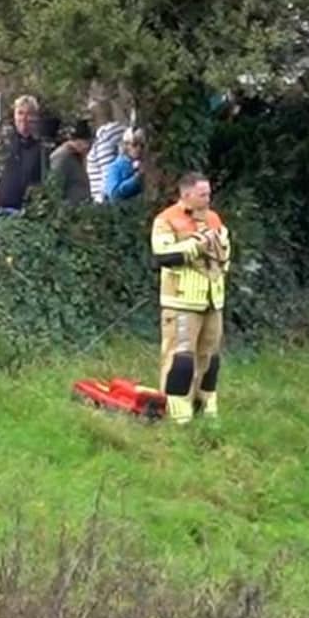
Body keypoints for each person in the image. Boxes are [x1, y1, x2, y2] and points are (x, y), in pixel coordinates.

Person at [151, 173, 230, 423]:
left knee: (210, 355)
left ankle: (206, 404)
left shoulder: (214, 218)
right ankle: (177, 411)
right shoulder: (166, 220)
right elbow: (162, 255)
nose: (208, 198)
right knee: (181, 357)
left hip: (212, 299)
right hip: (181, 300)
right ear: (186, 195)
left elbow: (224, 254)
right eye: (202, 194)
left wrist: (221, 249)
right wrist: (196, 244)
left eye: (208, 193)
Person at [0, 94, 47, 210]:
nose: (24, 118)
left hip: (30, 212)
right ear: (14, 116)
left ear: (35, 117)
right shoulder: (3, 145)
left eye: (29, 114)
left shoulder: (42, 148)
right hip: (4, 211)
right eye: (20, 113)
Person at [87, 94, 128, 203]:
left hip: (108, 202)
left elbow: (107, 171)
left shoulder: (105, 139)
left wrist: (103, 200)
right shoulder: (122, 132)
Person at [44, 121, 94, 205]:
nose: (87, 147)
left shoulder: (78, 157)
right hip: (69, 211)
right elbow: (54, 189)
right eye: (84, 142)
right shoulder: (62, 157)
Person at [106, 129, 145, 201]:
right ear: (126, 146)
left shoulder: (144, 164)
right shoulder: (115, 167)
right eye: (134, 145)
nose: (139, 149)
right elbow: (114, 194)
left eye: (142, 146)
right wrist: (135, 179)